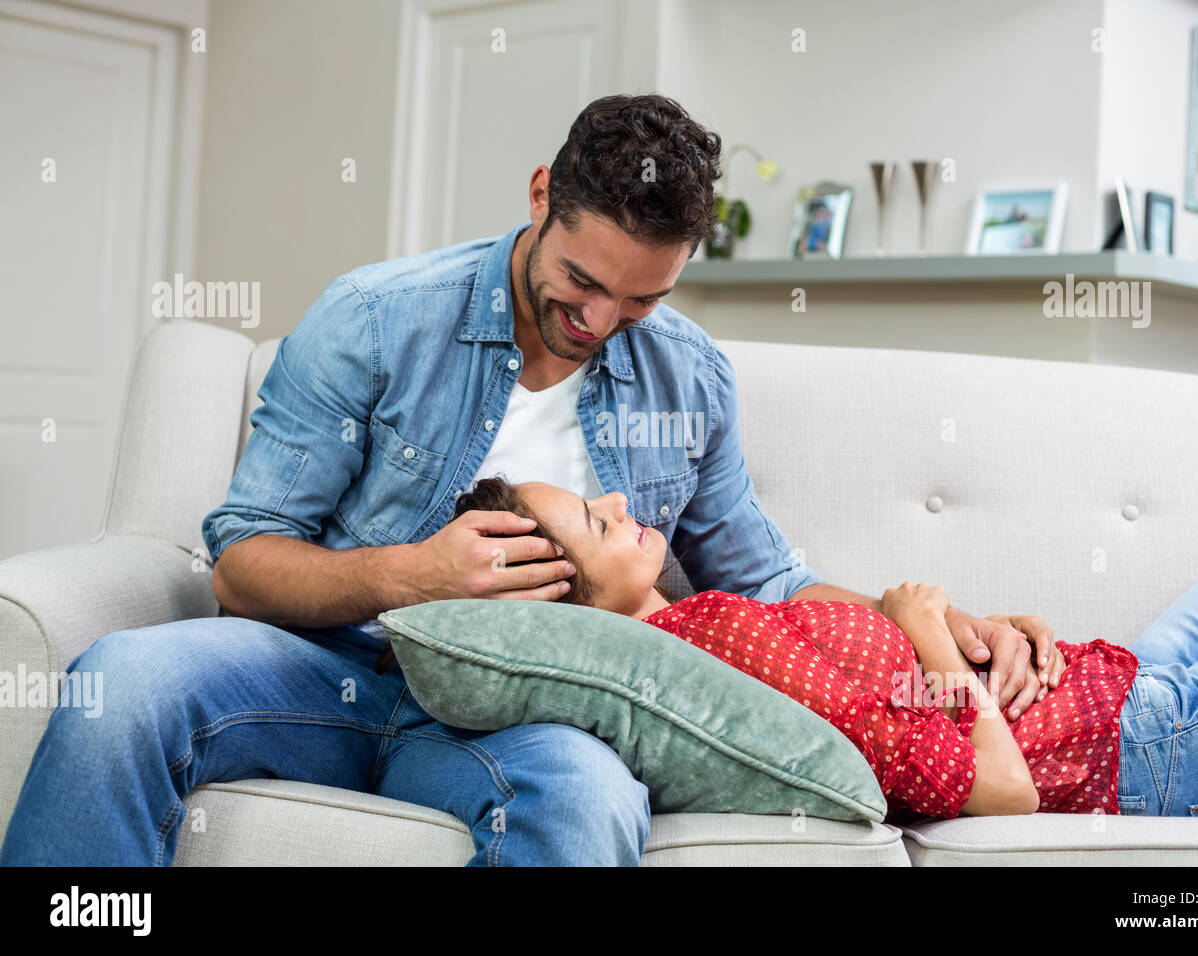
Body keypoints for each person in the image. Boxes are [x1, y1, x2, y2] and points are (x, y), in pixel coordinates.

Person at [1, 94, 1054, 868]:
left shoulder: (686, 375)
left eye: (637, 302)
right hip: (328, 668)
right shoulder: (375, 320)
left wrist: (948, 629)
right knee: (120, 682)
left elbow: (769, 581)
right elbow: (242, 566)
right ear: (542, 195)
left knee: (588, 800)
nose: (597, 321)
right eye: (581, 281)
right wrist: (409, 576)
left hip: (521, 717)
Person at [432, 477, 1198, 820]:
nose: (620, 502)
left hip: (1124, 678)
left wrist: (973, 627)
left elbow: (875, 651)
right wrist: (929, 637)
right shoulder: (714, 647)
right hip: (1143, 748)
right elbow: (1005, 791)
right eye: (596, 522)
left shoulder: (709, 620)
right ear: (560, 597)